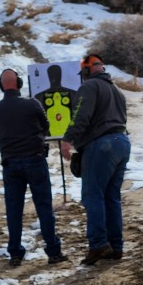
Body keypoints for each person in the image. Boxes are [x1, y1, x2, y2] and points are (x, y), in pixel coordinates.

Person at [0, 68, 67, 267]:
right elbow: (47, 126)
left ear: (1, 86)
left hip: (10, 164)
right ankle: (53, 252)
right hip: (34, 159)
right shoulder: (32, 104)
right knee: (44, 207)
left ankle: (15, 254)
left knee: (14, 210)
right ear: (19, 83)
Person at [60, 54, 130, 265]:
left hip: (102, 145)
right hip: (122, 142)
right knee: (111, 197)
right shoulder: (117, 90)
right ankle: (115, 247)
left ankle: (98, 244)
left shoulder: (89, 86)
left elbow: (81, 115)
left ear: (87, 70)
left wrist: (68, 140)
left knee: (93, 196)